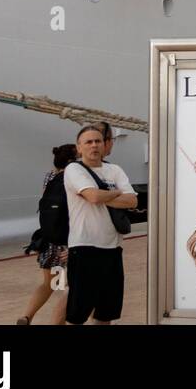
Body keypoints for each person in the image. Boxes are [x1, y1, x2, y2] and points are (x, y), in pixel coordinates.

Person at [63, 124, 137, 324]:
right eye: (88, 142)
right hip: (85, 248)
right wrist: (116, 193)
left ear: (105, 145)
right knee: (78, 314)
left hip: (113, 249)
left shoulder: (115, 169)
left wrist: (102, 196)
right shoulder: (74, 169)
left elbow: (133, 201)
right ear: (79, 147)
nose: (94, 145)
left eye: (98, 141)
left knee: (107, 313)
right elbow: (94, 196)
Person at [18, 143, 78, 325]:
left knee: (49, 284)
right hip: (68, 240)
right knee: (72, 289)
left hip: (49, 241)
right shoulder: (74, 178)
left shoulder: (50, 177)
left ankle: (26, 316)